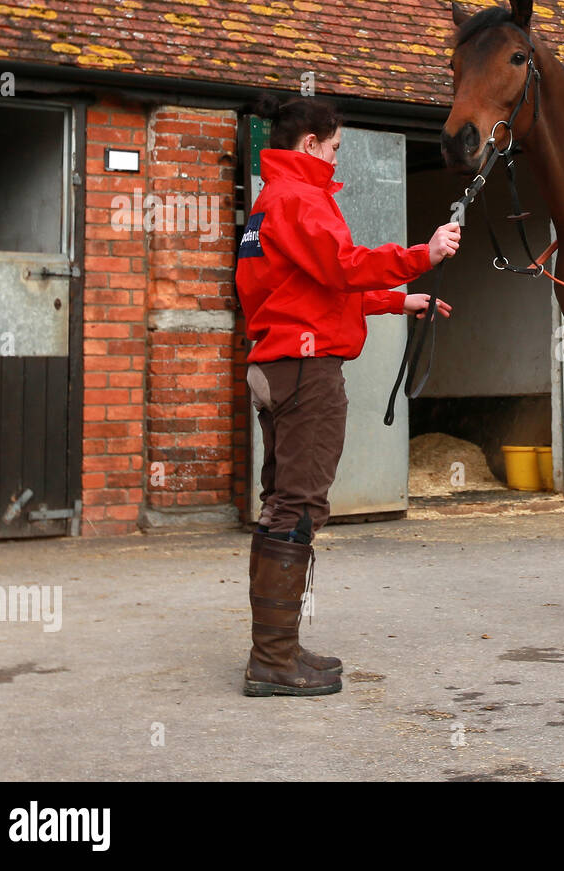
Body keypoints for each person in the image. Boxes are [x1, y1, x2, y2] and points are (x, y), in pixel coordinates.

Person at [235, 94, 460, 697]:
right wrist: (424, 255)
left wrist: (401, 299)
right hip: (306, 372)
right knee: (299, 508)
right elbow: (342, 265)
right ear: (310, 142)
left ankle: (278, 649)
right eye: (334, 148)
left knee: (281, 504)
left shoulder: (268, 204)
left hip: (275, 365)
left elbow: (310, 288)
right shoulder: (301, 199)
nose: (337, 161)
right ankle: (273, 661)